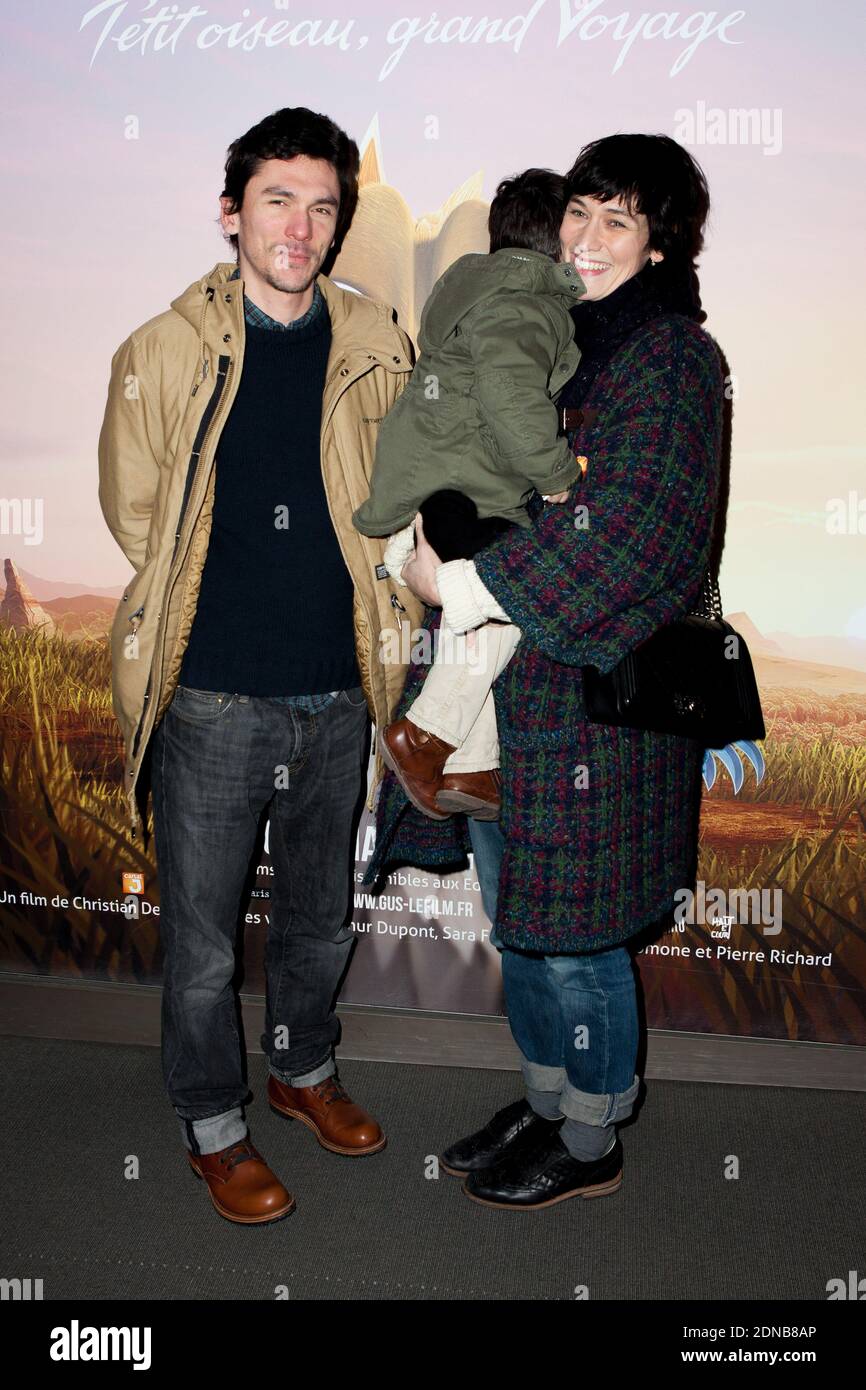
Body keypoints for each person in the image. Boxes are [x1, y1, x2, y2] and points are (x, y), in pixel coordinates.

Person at [365, 133, 724, 1210]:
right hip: (501, 706)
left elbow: (630, 536)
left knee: (576, 941)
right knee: (520, 921)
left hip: (589, 714)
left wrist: (459, 587)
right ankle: (546, 1093)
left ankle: (592, 1132)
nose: (587, 237)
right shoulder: (549, 338)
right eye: (578, 211)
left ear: (660, 246)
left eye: (619, 219)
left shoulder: (667, 361)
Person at [98, 106, 425, 1225]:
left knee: (317, 919)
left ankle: (300, 1070)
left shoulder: (379, 340)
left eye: (323, 204)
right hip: (215, 698)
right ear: (229, 210)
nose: (301, 223)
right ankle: (212, 1121)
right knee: (200, 941)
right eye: (277, 198)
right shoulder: (160, 349)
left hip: (339, 692)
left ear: (339, 223)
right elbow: (137, 515)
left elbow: (398, 500)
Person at [352, 170, 585, 823]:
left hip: (435, 487)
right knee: (521, 601)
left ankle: (472, 768)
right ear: (559, 244)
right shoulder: (525, 306)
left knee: (479, 623)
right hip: (472, 492)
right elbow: (514, 406)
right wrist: (560, 476)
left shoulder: (475, 291)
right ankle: (424, 735)